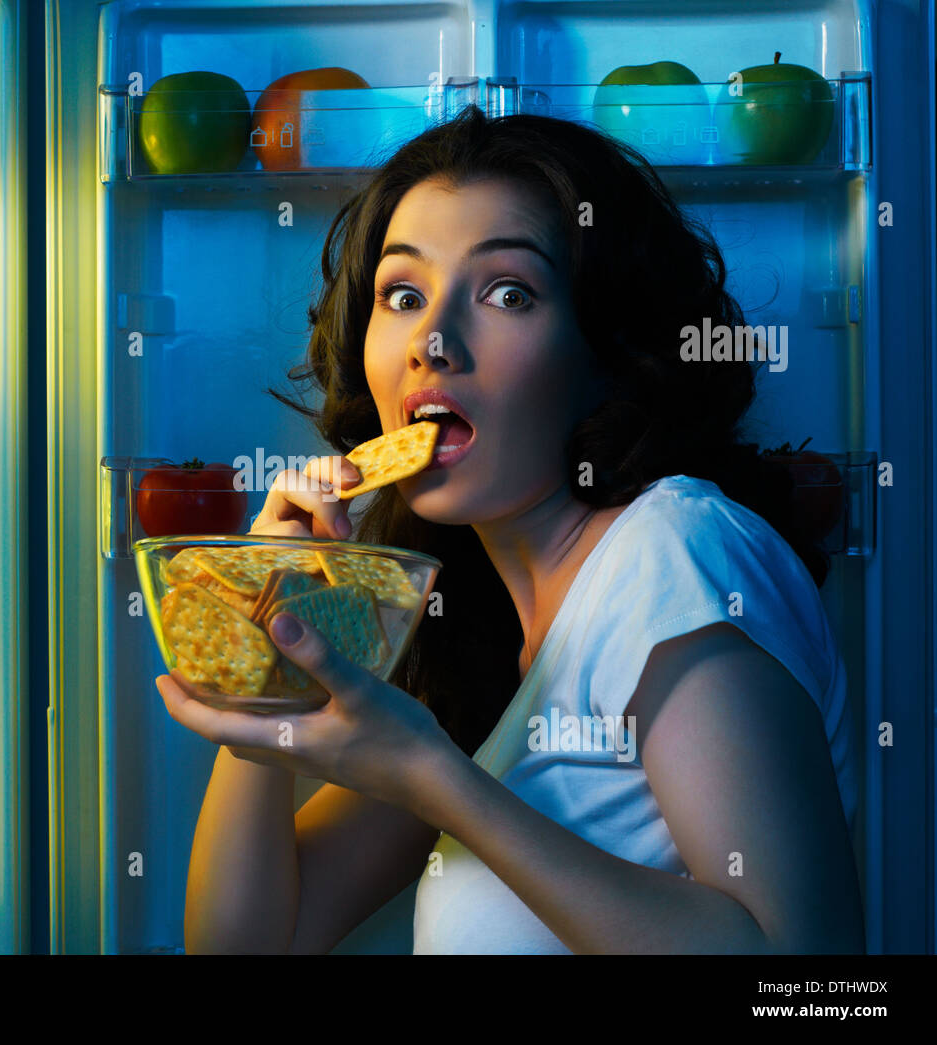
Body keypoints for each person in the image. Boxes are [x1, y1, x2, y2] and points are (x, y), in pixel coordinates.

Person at [155, 106, 863, 955]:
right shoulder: (478, 641)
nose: (434, 341)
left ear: (606, 353)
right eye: (403, 294)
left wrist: (435, 779)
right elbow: (249, 945)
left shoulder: (679, 552)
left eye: (508, 293)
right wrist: (264, 659)